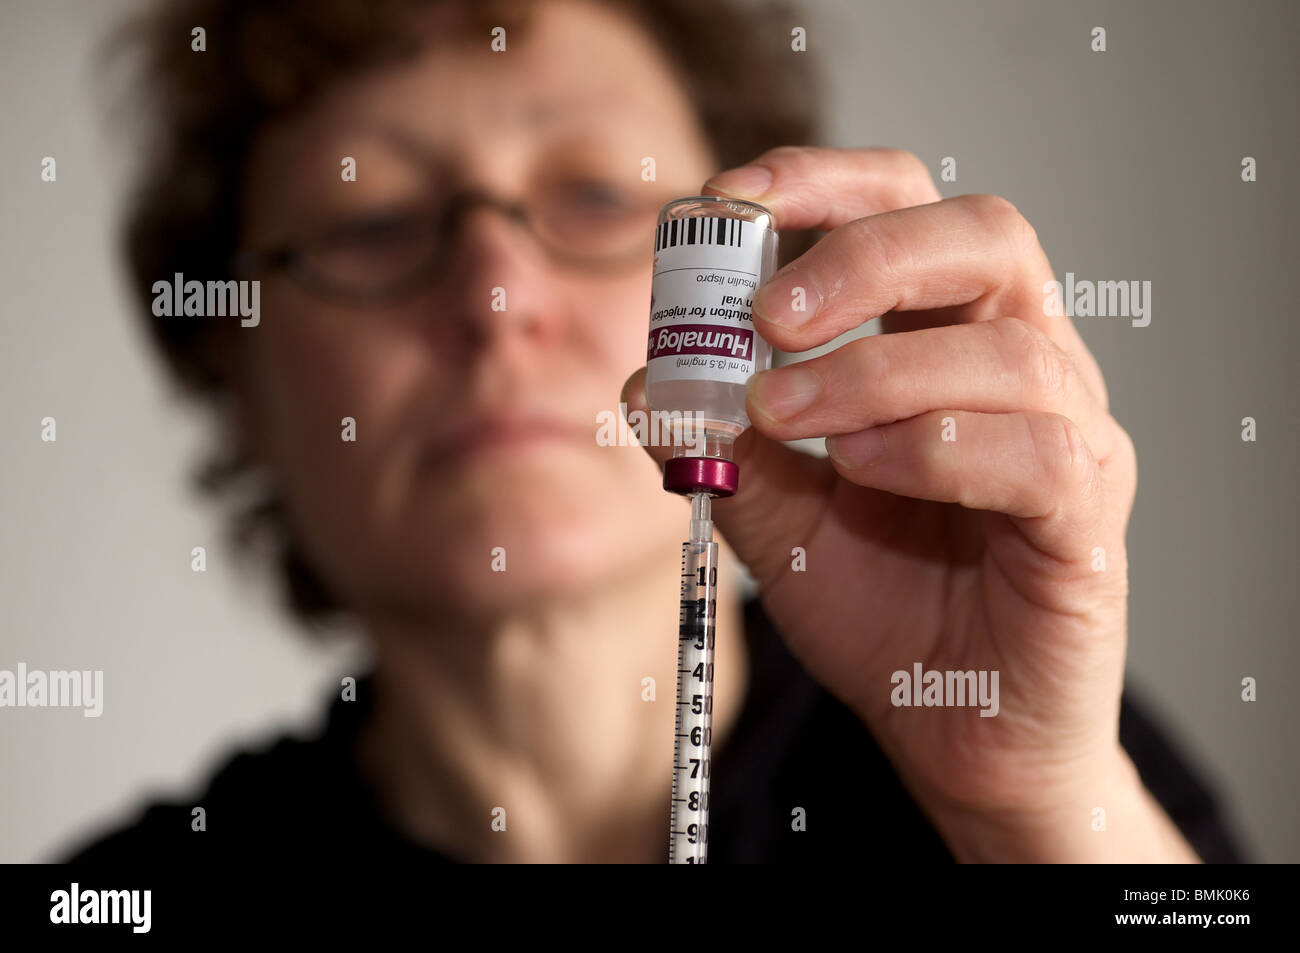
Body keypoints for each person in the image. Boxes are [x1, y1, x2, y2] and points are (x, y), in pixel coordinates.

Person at [58, 0, 1245, 864]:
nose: (494, 295)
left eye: (596, 195)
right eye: (375, 224)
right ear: (238, 373)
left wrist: (1029, 806)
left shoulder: (1045, 760)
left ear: (756, 294)